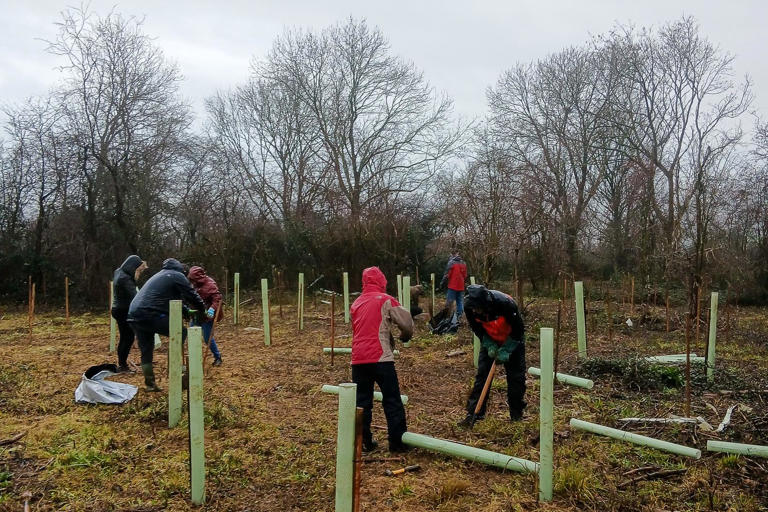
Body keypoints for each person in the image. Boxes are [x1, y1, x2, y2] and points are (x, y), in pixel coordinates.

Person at [351, 267, 414, 453]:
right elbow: (406, 322)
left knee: (362, 402)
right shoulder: (385, 299)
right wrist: (405, 335)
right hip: (381, 359)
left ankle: (363, 442)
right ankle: (397, 443)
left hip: (358, 360)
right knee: (392, 400)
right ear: (382, 281)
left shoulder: (355, 303)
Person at [127, 258, 206, 391]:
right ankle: (175, 369)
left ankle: (150, 384)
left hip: (134, 315)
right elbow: (192, 295)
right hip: (150, 314)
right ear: (182, 270)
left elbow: (173, 299)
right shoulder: (177, 275)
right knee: (180, 332)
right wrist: (202, 310)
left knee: (146, 348)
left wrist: (186, 311)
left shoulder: (160, 276)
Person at [459, 284, 526, 426]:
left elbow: (518, 331)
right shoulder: (469, 307)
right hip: (491, 339)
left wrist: (507, 348)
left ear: (486, 304)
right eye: (474, 308)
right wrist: (489, 344)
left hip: (512, 340)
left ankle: (516, 415)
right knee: (482, 376)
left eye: (479, 308)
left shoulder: (506, 304)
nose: (476, 311)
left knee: (516, 378)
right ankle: (474, 414)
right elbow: (477, 329)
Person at [111, 255, 147, 373]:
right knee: (127, 338)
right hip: (123, 310)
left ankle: (122, 363)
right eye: (138, 270)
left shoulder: (118, 272)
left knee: (125, 337)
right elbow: (135, 296)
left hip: (118, 309)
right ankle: (122, 365)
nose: (139, 273)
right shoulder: (125, 278)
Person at [187, 266, 224, 366]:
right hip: (195, 314)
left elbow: (217, 298)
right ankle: (194, 358)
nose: (193, 282)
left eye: (194, 279)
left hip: (207, 316)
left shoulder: (210, 284)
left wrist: (212, 309)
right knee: (191, 335)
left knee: (207, 338)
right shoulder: (192, 284)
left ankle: (217, 357)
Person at [440, 251, 467, 320]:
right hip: (461, 286)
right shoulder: (463, 263)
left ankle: (447, 316)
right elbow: (465, 276)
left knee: (449, 301)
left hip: (452, 285)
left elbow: (447, 275)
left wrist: (442, 283)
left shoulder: (451, 263)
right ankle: (459, 316)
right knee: (459, 301)